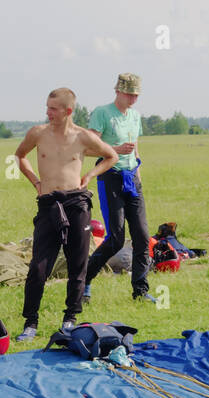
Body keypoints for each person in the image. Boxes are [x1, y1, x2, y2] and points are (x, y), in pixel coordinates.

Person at [13, 88, 118, 341]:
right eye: (47, 107)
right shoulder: (37, 133)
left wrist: (90, 175)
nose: (48, 112)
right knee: (38, 268)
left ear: (68, 111)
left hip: (76, 203)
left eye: (53, 109)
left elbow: (111, 156)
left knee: (77, 265)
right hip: (48, 203)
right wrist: (35, 182)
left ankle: (70, 318)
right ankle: (31, 322)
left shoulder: (83, 136)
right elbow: (20, 155)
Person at [83, 74, 154, 303]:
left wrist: (138, 178)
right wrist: (116, 149)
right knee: (115, 238)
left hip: (132, 179)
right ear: (119, 91)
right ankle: (84, 280)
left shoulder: (135, 116)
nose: (134, 99)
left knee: (142, 237)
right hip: (110, 177)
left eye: (136, 95)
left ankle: (140, 291)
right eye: (130, 94)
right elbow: (88, 149)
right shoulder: (102, 113)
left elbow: (136, 150)